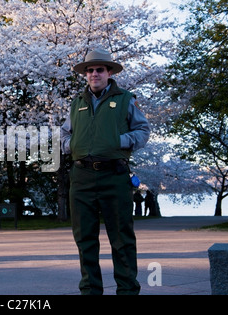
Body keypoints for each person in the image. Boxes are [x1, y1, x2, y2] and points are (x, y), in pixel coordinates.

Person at [61, 48, 150, 295]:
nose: (94, 74)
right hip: (81, 177)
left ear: (109, 72)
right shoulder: (77, 102)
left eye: (99, 69)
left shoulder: (125, 99)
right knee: (85, 239)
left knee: (121, 239)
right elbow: (65, 132)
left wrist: (118, 141)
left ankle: (127, 290)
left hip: (115, 175)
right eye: (89, 70)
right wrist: (71, 146)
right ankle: (90, 290)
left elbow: (143, 131)